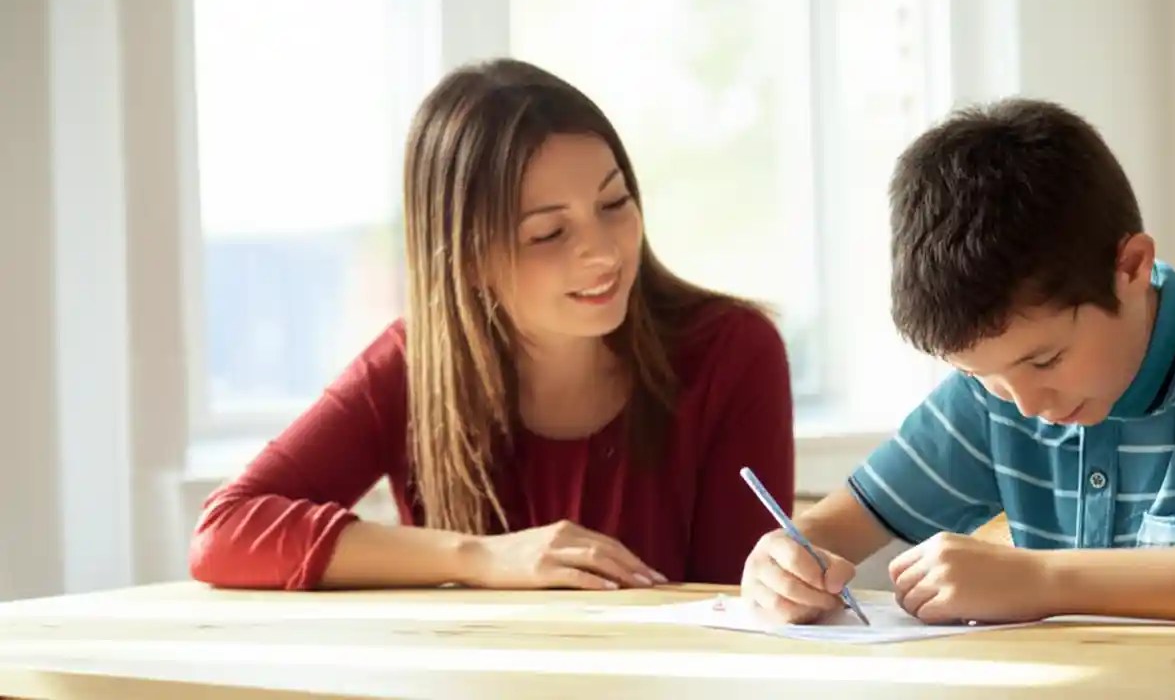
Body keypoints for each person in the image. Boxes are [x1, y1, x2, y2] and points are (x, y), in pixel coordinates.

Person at [190, 58, 795, 591]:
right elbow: (226, 530)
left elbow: (743, 610)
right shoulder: (413, 364)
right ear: (469, 259)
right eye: (549, 233)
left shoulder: (732, 352)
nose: (604, 252)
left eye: (614, 204)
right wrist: (479, 557)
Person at [742, 98, 1175, 625]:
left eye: (1046, 360)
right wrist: (784, 563)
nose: (1026, 404)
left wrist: (1042, 581)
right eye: (983, 375)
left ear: (1132, 268)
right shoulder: (990, 396)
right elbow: (833, 530)